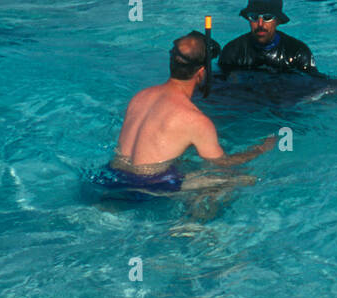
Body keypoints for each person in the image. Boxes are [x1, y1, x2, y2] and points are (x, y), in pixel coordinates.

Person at [109, 31, 275, 195]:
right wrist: (260, 149)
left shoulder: (140, 97)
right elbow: (223, 164)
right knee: (240, 180)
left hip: (112, 177)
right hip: (149, 188)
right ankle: (193, 222)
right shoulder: (195, 120)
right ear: (201, 72)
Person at [219, 0, 319, 76]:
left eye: (267, 17)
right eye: (254, 17)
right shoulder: (233, 51)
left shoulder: (297, 52)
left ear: (278, 21)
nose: (260, 24)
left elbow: (314, 84)